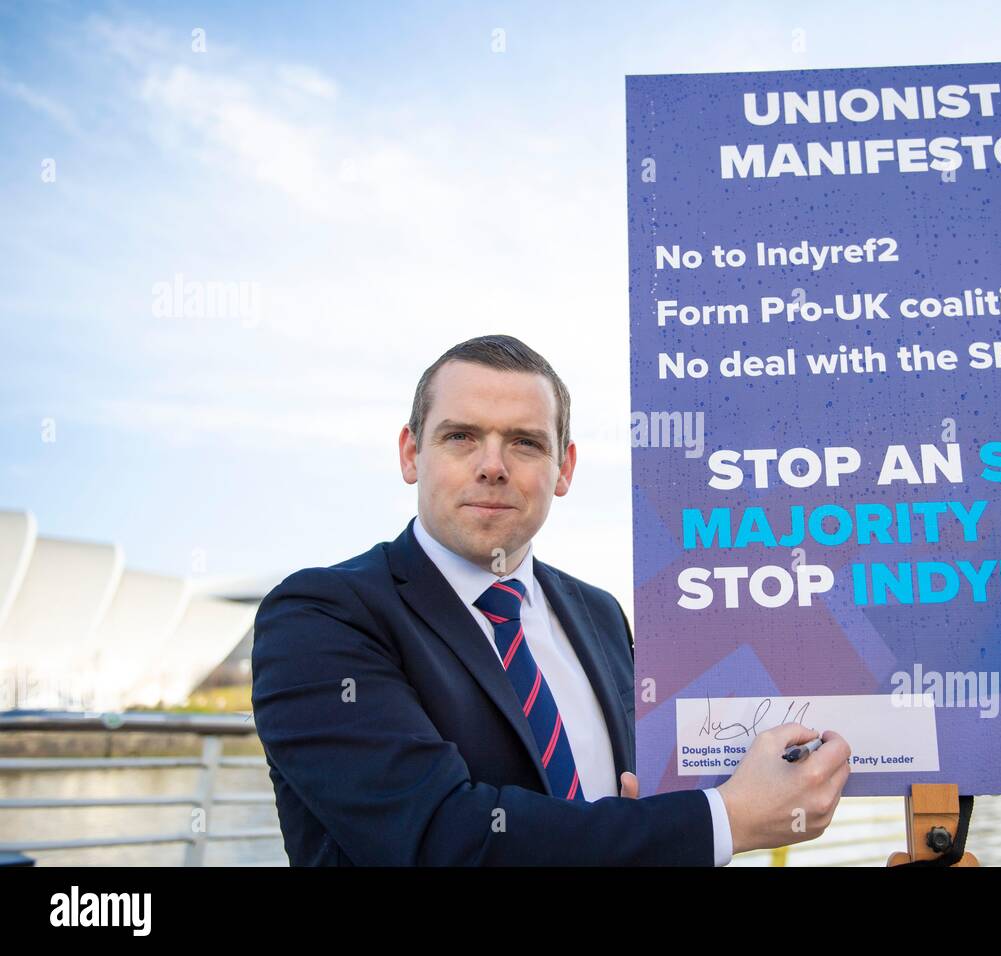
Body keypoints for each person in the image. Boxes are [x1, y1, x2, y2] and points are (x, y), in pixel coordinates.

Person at [251, 333, 851, 865]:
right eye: (461, 437)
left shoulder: (600, 613)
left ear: (563, 468)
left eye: (525, 443)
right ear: (412, 454)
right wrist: (725, 819)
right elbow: (439, 837)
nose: (493, 467)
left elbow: (634, 806)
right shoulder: (319, 616)